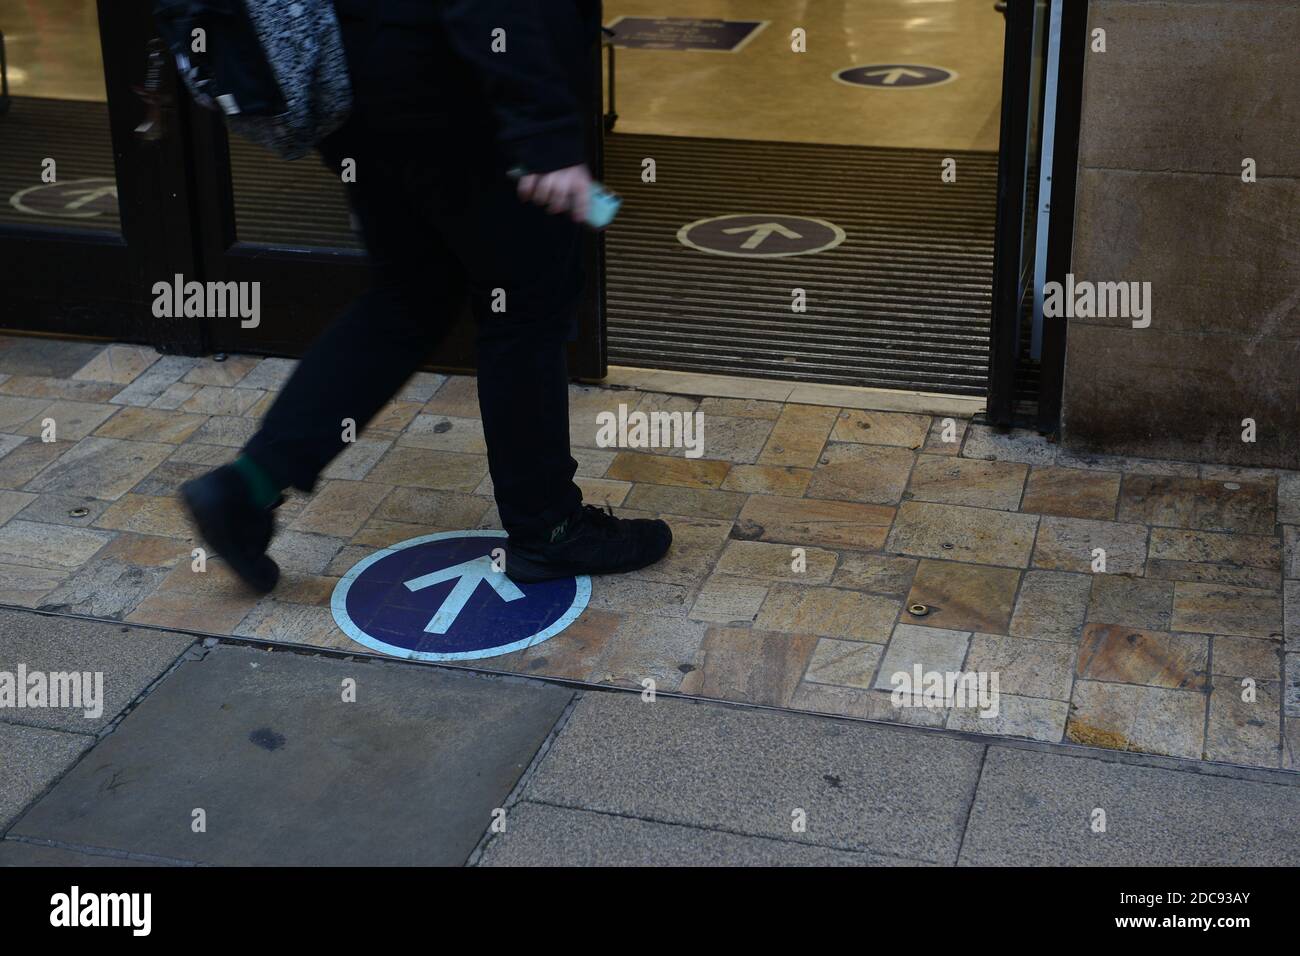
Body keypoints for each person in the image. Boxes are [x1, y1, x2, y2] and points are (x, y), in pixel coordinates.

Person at [181, 0, 671, 593]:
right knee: (525, 306)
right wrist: (543, 129)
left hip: (359, 80)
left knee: (409, 295)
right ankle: (550, 529)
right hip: (458, 89)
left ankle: (247, 488)